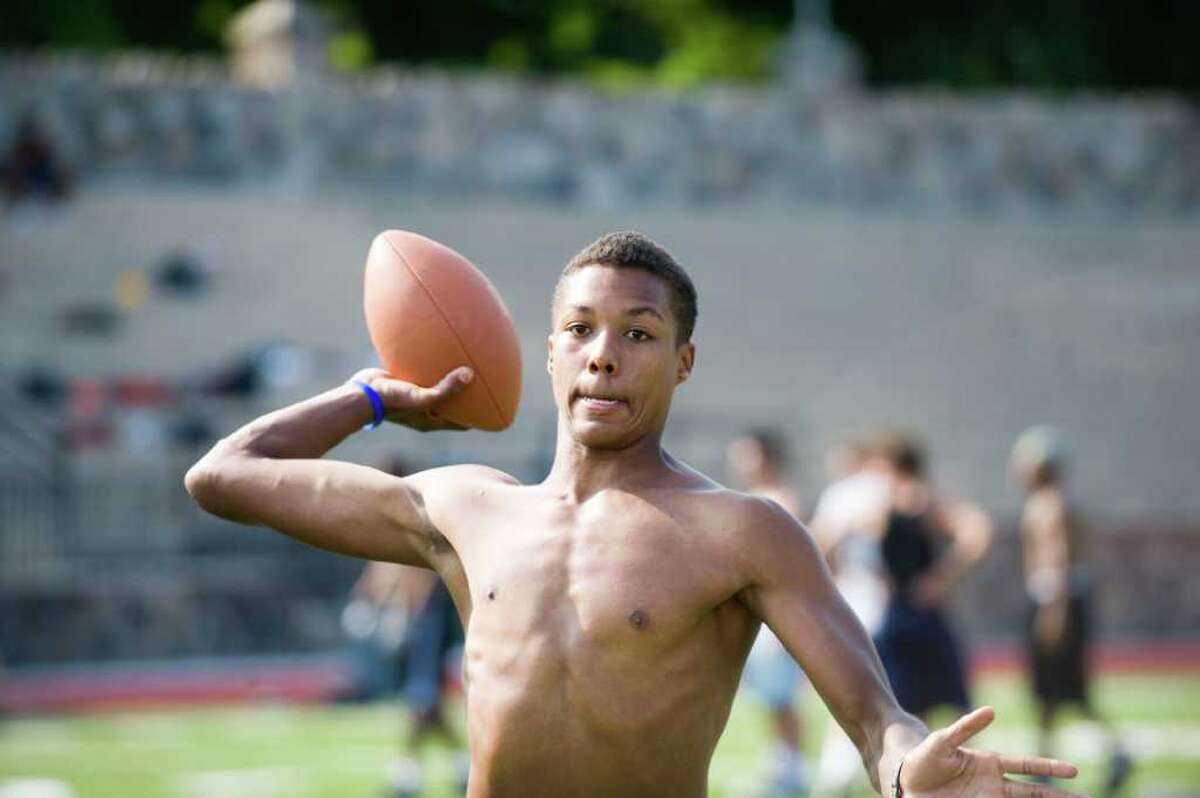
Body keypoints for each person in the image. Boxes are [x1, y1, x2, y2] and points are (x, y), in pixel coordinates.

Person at [186, 231, 1084, 797]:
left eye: (639, 333)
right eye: (579, 331)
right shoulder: (466, 508)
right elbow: (225, 474)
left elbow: (873, 718)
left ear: (684, 362)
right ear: (546, 354)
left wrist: (905, 774)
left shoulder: (742, 530)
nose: (604, 357)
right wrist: (374, 398)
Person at [1011, 426, 1132, 796]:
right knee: (1047, 694)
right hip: (1056, 601)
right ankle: (1044, 764)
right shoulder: (1053, 503)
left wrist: (1055, 611)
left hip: (1055, 602)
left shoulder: (1050, 505)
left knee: (1069, 691)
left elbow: (1057, 561)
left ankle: (1116, 753)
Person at [869, 431, 993, 723]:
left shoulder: (915, 502)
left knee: (922, 702)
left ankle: (936, 763)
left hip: (915, 613)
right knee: (920, 701)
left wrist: (940, 578)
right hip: (906, 612)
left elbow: (976, 531)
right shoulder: (892, 504)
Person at [726, 429, 810, 796]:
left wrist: (782, 625)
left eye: (747, 454)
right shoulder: (755, 498)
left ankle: (794, 771)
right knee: (771, 699)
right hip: (759, 615)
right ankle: (782, 765)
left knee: (783, 697)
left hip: (776, 616)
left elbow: (790, 568)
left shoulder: (780, 501)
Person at [808, 440, 891, 796]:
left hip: (860, 598)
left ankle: (842, 766)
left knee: (848, 681)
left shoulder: (850, 493)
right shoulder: (878, 490)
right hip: (876, 598)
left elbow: (818, 542)